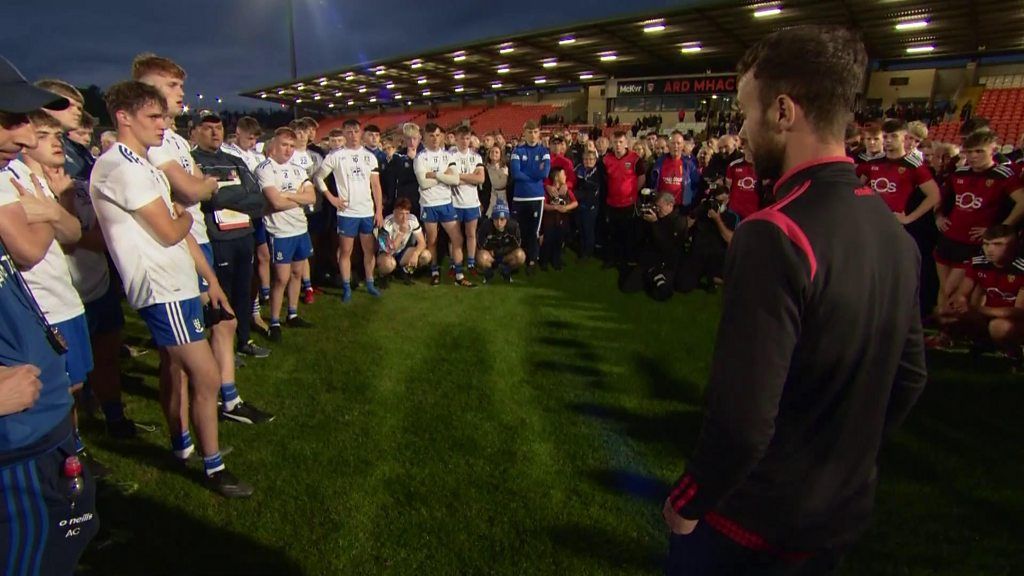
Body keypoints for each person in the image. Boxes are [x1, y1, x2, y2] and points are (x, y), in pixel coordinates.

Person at [662, 26, 926, 574]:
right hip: (840, 514)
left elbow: (742, 423)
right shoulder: (894, 233)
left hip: (755, 523)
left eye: (745, 112)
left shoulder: (773, 234)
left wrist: (687, 500)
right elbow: (909, 377)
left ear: (783, 111)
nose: (741, 129)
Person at [91, 80, 252, 497]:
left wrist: (209, 280)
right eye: (153, 116)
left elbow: (180, 232)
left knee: (180, 370)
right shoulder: (121, 167)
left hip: (178, 281)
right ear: (123, 118)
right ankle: (213, 467)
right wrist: (183, 214)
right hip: (161, 287)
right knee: (206, 374)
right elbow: (170, 231)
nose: (163, 124)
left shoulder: (142, 163)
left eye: (164, 116)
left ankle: (183, 445)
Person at [0, 63, 101, 571]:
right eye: (8, 118)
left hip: (40, 428)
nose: (23, 137)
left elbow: (69, 232)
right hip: (16, 442)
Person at [191, 112, 277, 425]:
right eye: (208, 128)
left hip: (243, 235)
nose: (215, 133)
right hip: (217, 239)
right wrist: (230, 197)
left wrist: (224, 196)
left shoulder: (235, 161)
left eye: (219, 128)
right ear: (195, 131)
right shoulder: (192, 162)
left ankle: (243, 341)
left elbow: (257, 200)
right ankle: (220, 352)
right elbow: (206, 200)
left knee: (243, 292)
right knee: (221, 297)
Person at [933, 129, 1024, 317]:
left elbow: (1022, 202)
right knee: (943, 288)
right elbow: (940, 198)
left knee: (953, 289)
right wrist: (939, 217)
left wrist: (999, 229)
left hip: (972, 244)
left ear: (993, 150)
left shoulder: (1003, 175)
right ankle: (944, 328)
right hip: (948, 238)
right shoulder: (959, 173)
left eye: (979, 151)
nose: (973, 156)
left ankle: (961, 327)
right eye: (969, 152)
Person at [313, 119, 384, 302]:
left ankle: (370, 282)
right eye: (349, 132)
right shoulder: (336, 156)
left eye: (356, 131)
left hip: (367, 211)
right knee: (345, 251)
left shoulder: (369, 156)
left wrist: (379, 211)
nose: (353, 135)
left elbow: (376, 186)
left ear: (361, 133)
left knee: (369, 249)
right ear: (344, 134)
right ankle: (346, 287)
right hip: (347, 213)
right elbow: (318, 178)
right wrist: (331, 198)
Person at [256, 127, 316, 340]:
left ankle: (292, 314)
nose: (288, 149)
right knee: (281, 278)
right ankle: (274, 321)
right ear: (273, 145)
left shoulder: (298, 169)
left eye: (292, 146)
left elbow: (312, 198)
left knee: (297, 273)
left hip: (300, 228)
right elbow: (275, 202)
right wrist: (298, 197)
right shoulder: (265, 168)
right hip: (280, 231)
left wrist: (288, 196)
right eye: (284, 145)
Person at [940, 225, 1024, 367]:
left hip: (1014, 320)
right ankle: (982, 343)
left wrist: (976, 309)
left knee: (999, 326)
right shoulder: (979, 263)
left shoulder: (1021, 268)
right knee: (945, 312)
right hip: (987, 314)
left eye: (998, 244)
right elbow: (962, 293)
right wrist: (960, 302)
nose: (989, 249)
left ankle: (1015, 352)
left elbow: (1018, 312)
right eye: (986, 244)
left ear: (1013, 246)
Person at [414, 123, 474, 287]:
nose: (435, 139)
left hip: (446, 203)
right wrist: (443, 176)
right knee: (432, 241)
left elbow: (455, 180)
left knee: (457, 238)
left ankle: (459, 274)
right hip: (429, 204)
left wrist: (435, 175)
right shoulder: (420, 158)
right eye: (431, 135)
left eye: (437, 135)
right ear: (425, 137)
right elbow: (423, 184)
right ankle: (434, 272)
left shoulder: (447, 156)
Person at [619, 192, 687, 300]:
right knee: (627, 287)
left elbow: (667, 245)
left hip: (667, 261)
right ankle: (652, 276)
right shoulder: (656, 216)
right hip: (650, 258)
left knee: (662, 293)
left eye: (660, 207)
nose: (657, 210)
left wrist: (655, 223)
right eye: (656, 206)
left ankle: (654, 276)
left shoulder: (679, 221)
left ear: (670, 205)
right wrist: (644, 220)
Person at [675, 184, 739, 293]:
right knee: (682, 285)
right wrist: (697, 211)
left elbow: (729, 239)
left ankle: (712, 277)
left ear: (727, 200)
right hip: (698, 253)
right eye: (717, 201)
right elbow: (685, 227)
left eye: (722, 201)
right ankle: (706, 277)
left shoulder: (732, 216)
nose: (719, 204)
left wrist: (717, 219)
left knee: (733, 280)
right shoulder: (702, 211)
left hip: (718, 256)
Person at [510, 120, 550, 275]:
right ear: (524, 133)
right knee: (518, 231)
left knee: (534, 232)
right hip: (520, 197)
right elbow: (516, 173)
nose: (532, 135)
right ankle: (517, 260)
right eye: (529, 132)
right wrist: (534, 175)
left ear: (539, 133)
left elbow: (544, 173)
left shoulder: (544, 151)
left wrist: (526, 173)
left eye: (535, 132)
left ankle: (532, 261)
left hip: (536, 198)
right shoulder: (517, 151)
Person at [603, 131, 645, 268]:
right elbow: (604, 179)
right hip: (612, 203)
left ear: (626, 143)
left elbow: (642, 177)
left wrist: (632, 192)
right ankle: (612, 259)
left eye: (621, 142)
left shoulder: (635, 159)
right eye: (615, 142)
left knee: (628, 234)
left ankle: (627, 260)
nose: (618, 145)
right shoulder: (606, 159)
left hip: (629, 204)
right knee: (612, 233)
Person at [451, 126, 485, 272]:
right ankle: (454, 262)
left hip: (472, 202)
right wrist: (471, 177)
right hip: (454, 202)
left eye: (467, 138)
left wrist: (460, 176)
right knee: (455, 236)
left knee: (471, 234)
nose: (465, 141)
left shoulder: (476, 157)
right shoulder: (450, 156)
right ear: (456, 139)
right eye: (462, 138)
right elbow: (451, 179)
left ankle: (471, 262)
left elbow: (481, 178)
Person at [375, 197, 430, 284]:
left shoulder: (412, 220)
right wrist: (401, 233)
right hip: (386, 253)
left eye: (407, 213)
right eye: (401, 214)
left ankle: (405, 272)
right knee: (389, 264)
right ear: (394, 212)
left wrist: (416, 254)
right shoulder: (387, 223)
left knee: (426, 255)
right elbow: (389, 250)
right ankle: (383, 275)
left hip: (402, 251)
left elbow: (422, 243)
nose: (404, 218)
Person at [476, 200, 526, 283]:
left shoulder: (513, 226)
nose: (499, 223)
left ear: (507, 219)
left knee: (521, 255)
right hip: (491, 256)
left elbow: (517, 244)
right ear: (492, 219)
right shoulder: (486, 225)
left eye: (502, 219)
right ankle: (489, 272)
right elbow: (480, 244)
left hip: (506, 256)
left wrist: (499, 252)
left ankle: (506, 270)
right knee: (481, 256)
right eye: (496, 219)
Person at [540, 166, 578, 270]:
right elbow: (543, 205)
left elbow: (575, 203)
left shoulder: (566, 190)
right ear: (556, 177)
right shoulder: (547, 191)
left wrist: (566, 208)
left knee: (559, 241)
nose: (565, 176)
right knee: (548, 241)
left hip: (562, 222)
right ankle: (544, 262)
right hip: (549, 222)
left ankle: (556, 261)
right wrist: (555, 207)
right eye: (563, 174)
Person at [574, 149, 603, 259]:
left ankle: (588, 252)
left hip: (591, 206)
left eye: (591, 159)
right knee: (581, 228)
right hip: (579, 205)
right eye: (586, 159)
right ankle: (582, 249)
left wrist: (577, 193)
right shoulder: (579, 170)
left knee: (588, 229)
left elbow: (592, 190)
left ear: (595, 160)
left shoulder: (597, 173)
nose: (588, 161)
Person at [723, 143, 763, 220]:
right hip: (735, 210)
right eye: (748, 149)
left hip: (754, 211)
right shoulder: (733, 165)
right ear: (743, 149)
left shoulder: (762, 167)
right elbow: (727, 188)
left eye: (752, 150)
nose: (750, 152)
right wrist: (724, 205)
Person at [481, 145, 508, 218]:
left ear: (500, 155)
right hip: (491, 196)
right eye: (492, 152)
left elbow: (504, 183)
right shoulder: (485, 168)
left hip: (504, 196)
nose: (494, 154)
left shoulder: (505, 167)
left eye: (496, 152)